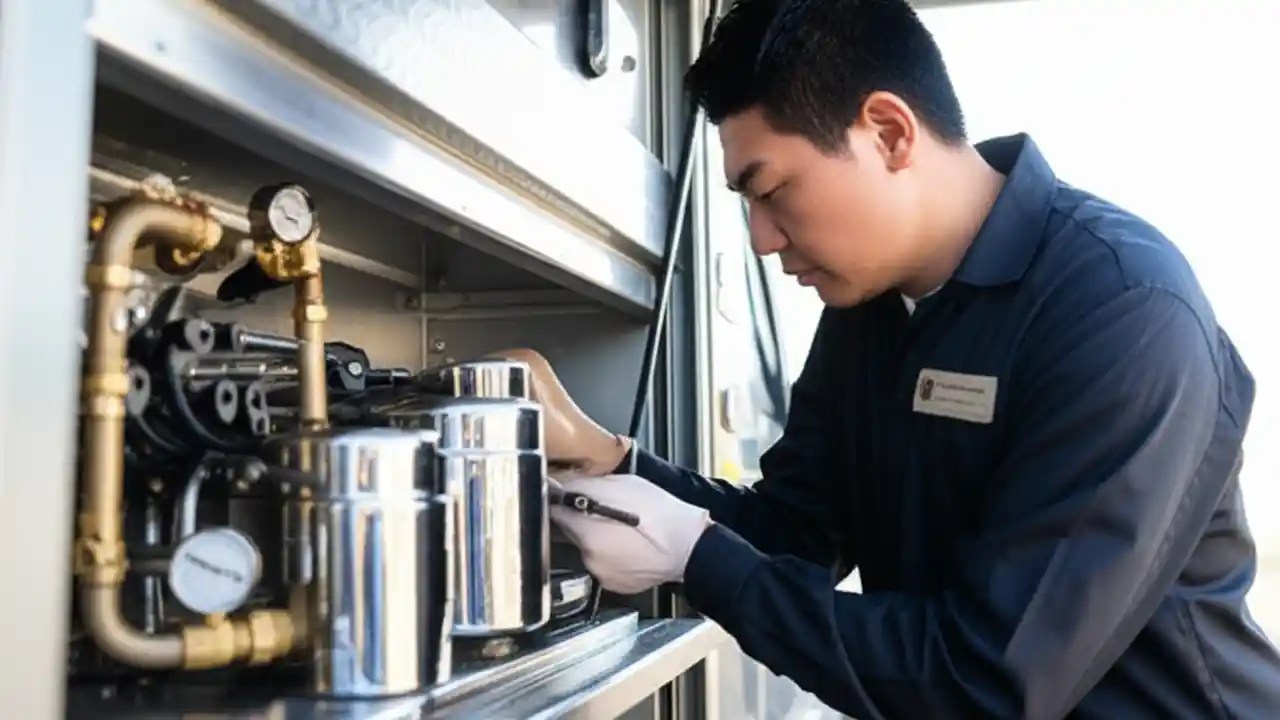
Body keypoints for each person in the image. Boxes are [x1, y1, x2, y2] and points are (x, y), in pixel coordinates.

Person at [501, 0, 1280, 717]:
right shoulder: (870, 313)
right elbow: (790, 530)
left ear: (890, 132)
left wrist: (696, 556)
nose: (762, 239)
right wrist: (606, 459)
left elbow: (989, 682)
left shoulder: (1122, 312)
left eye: (770, 191)